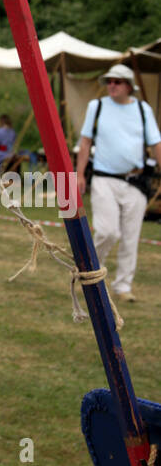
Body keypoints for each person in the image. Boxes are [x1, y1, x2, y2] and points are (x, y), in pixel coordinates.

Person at [76, 64, 161, 302]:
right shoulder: (98, 106)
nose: (111, 85)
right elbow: (84, 143)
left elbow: (156, 144)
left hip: (136, 181)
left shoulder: (143, 110)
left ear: (128, 86)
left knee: (131, 237)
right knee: (107, 231)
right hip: (104, 178)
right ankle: (90, 272)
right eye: (109, 81)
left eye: (117, 81)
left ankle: (123, 286)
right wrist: (80, 174)